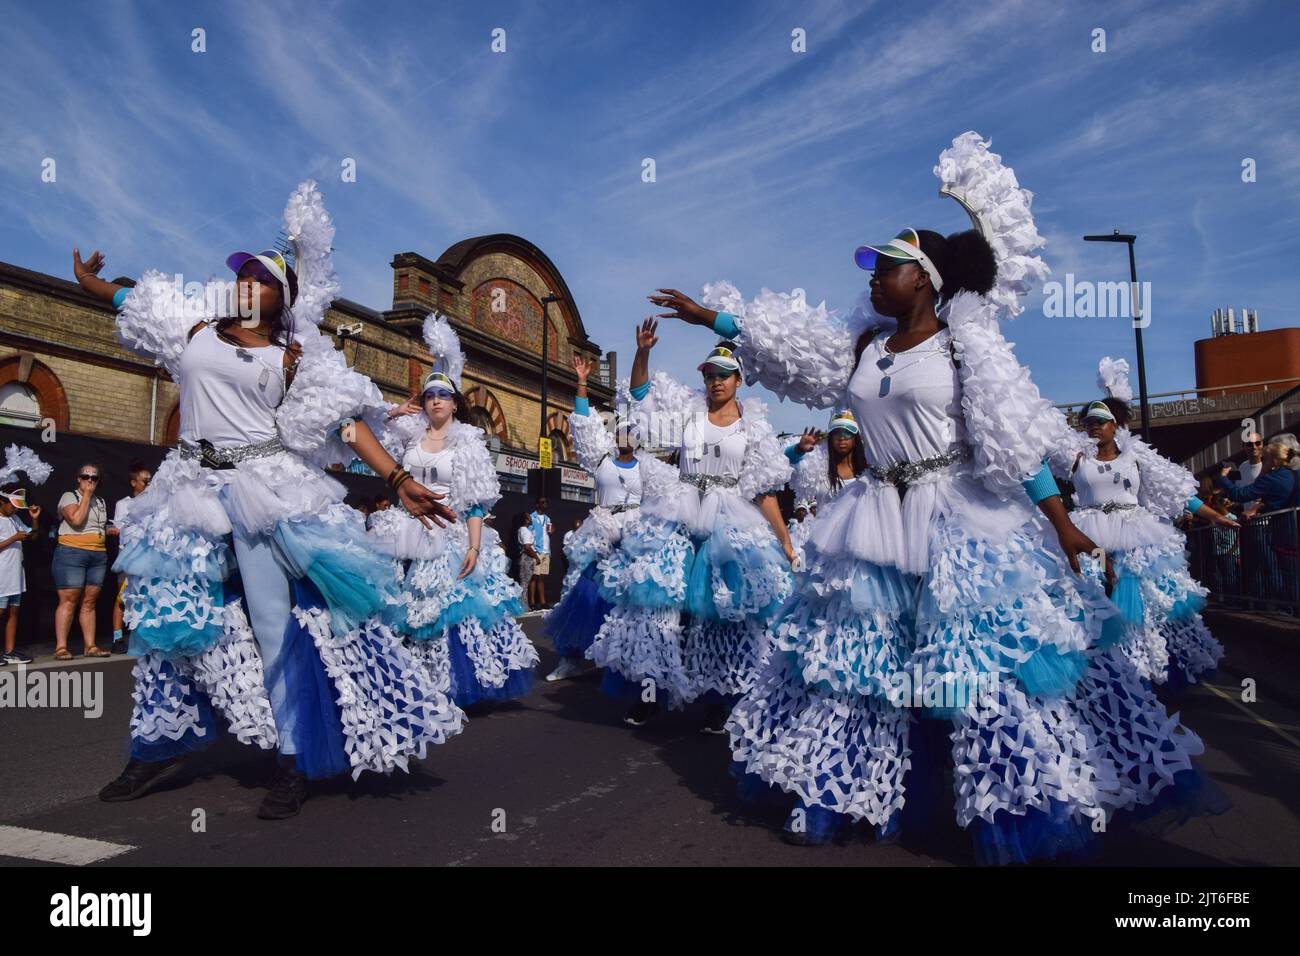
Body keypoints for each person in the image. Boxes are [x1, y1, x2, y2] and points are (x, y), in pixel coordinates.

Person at [656, 132, 1217, 860]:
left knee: (981, 668)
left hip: (958, 515)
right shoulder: (864, 347)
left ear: (922, 278)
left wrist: (1062, 525)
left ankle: (1017, 799)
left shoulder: (964, 346)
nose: (872, 280)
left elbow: (1010, 441)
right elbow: (791, 356)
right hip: (875, 520)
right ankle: (861, 786)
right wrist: (715, 320)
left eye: (884, 269)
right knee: (864, 663)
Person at [72, 181, 464, 819]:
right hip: (188, 491)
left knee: (274, 625)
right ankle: (155, 747)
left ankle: (290, 757)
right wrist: (90, 282)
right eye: (242, 275)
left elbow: (347, 425)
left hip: (261, 490)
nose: (247, 284)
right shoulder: (192, 330)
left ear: (284, 299)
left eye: (262, 279)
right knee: (164, 621)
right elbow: (126, 298)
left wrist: (397, 479)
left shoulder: (296, 357)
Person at [590, 322, 794, 733]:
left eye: (723, 375)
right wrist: (643, 353)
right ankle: (650, 696)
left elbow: (764, 491)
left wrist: (785, 542)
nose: (716, 382)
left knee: (723, 617)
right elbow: (642, 397)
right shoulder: (686, 413)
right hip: (679, 512)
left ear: (738, 380)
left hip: (729, 520)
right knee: (660, 612)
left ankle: (718, 703)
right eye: (709, 374)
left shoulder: (751, 427)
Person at [371, 314, 538, 707]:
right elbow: (368, 435)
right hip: (403, 530)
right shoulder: (408, 436)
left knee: (446, 612)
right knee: (401, 608)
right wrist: (395, 413)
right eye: (429, 396)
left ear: (454, 403)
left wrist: (474, 548)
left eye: (442, 396)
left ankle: (450, 680)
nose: (435, 402)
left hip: (446, 533)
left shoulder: (467, 444)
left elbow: (475, 501)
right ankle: (405, 680)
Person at [1054, 357, 1232, 686]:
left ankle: (1150, 674)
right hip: (1089, 534)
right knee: (1087, 606)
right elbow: (1028, 467)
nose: (1093, 425)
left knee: (1145, 609)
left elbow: (1175, 491)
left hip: (1135, 534)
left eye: (1101, 420)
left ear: (1115, 426)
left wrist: (1216, 517)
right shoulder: (1073, 458)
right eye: (1088, 421)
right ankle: (1099, 679)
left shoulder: (1136, 457)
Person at [543, 353, 682, 682]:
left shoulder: (647, 466)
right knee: (583, 592)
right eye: (620, 431)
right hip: (602, 531)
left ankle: (620, 658)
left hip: (633, 536)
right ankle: (571, 657)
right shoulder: (601, 459)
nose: (625, 436)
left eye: (631, 432)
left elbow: (676, 489)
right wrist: (580, 384)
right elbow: (584, 426)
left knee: (625, 597)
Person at [52, 461, 111, 660]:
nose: (89, 481)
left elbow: (97, 525)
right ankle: (61, 647)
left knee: (89, 602)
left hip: (97, 554)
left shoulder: (100, 501)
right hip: (72, 552)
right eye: (86, 477)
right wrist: (86, 495)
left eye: (94, 478)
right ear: (78, 479)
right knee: (69, 600)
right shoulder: (70, 496)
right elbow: (76, 520)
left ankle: (90, 645)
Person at [0, 446, 51, 665]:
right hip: (1, 577)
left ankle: (9, 651)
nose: (15, 508)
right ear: (1, 502)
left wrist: (35, 519)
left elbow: (32, 536)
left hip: (15, 576)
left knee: (13, 612)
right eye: (12, 504)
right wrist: (13, 539)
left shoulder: (14, 520)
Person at [109, 461, 151, 654]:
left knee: (146, 598)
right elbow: (122, 530)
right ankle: (117, 638)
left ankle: (142, 636)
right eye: (145, 481)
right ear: (134, 482)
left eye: (150, 481)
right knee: (122, 599)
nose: (148, 485)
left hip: (148, 560)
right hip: (129, 559)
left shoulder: (154, 504)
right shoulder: (123, 504)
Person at [527, 498, 554, 609]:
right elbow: (528, 534)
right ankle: (532, 602)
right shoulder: (531, 517)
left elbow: (549, 532)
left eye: (546, 502)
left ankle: (542, 602)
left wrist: (552, 531)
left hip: (546, 551)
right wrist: (532, 551)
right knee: (534, 577)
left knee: (541, 577)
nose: (545, 504)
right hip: (536, 550)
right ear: (537, 504)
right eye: (543, 502)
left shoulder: (547, 518)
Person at [515, 512, 537, 607]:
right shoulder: (524, 530)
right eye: (529, 517)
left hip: (526, 557)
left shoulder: (523, 530)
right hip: (527, 558)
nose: (531, 519)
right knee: (524, 583)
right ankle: (522, 606)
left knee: (525, 583)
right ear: (526, 520)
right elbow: (527, 547)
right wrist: (536, 557)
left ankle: (524, 605)